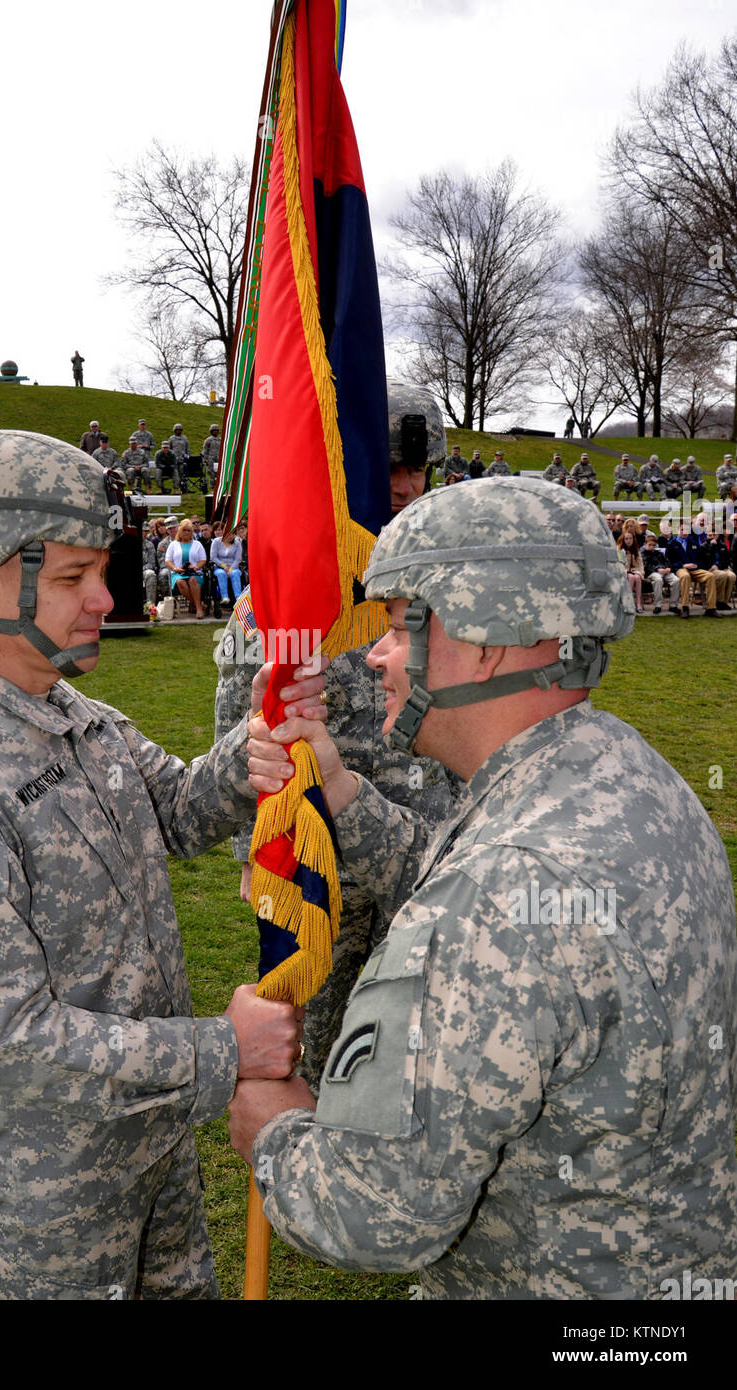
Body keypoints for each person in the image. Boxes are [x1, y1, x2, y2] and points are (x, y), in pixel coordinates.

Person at [0, 429, 307, 1301]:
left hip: (153, 1151)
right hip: (54, 1207)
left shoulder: (69, 708)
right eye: (72, 578)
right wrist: (220, 1051)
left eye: (99, 571)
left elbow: (175, 809)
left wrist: (253, 751)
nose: (105, 599)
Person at [233, 476, 737, 1299]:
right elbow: (476, 880)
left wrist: (275, 1126)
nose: (376, 655)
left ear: (488, 644)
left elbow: (374, 1214)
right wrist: (341, 790)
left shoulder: (507, 885)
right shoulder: (625, 775)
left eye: (400, 626)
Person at [214, 388, 458, 1093]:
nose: (405, 486)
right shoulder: (287, 593)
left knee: (416, 1040)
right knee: (319, 1046)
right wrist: (253, 856)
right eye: (388, 470)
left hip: (428, 847)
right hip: (327, 859)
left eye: (418, 471)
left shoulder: (445, 591)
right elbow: (246, 728)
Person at [165, 517, 207, 616]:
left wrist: (196, 567)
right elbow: (168, 560)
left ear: (191, 532)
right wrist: (175, 568)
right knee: (180, 583)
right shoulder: (173, 544)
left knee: (193, 580)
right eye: (184, 530)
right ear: (180, 531)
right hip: (178, 572)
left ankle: (197, 609)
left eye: (189, 530)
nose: (186, 532)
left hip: (194, 572)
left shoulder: (197, 544)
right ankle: (199, 605)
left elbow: (203, 559)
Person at [641, 530, 681, 615]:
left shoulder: (659, 553)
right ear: (645, 545)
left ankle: (673, 605)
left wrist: (668, 568)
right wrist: (658, 569)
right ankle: (658, 605)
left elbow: (667, 561)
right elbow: (646, 566)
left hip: (664, 571)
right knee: (658, 579)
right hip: (652, 572)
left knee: (676, 580)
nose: (652, 546)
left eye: (654, 545)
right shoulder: (643, 554)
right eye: (650, 545)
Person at [210, 527, 243, 608]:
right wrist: (223, 566)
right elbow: (213, 557)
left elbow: (237, 559)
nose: (230, 536)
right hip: (219, 567)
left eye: (232, 534)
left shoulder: (237, 543)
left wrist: (230, 569)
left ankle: (238, 597)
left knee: (235, 573)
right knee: (221, 574)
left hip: (233, 567)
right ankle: (225, 597)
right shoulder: (216, 541)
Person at [618, 518, 645, 613]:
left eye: (630, 539)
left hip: (635, 570)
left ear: (633, 539)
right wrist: (624, 571)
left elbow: (640, 564)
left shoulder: (636, 550)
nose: (628, 541)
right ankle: (628, 603)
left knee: (637, 577)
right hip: (624, 571)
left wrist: (641, 573)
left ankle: (638, 604)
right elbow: (619, 564)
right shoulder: (620, 550)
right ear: (623, 540)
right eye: (626, 539)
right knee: (632, 577)